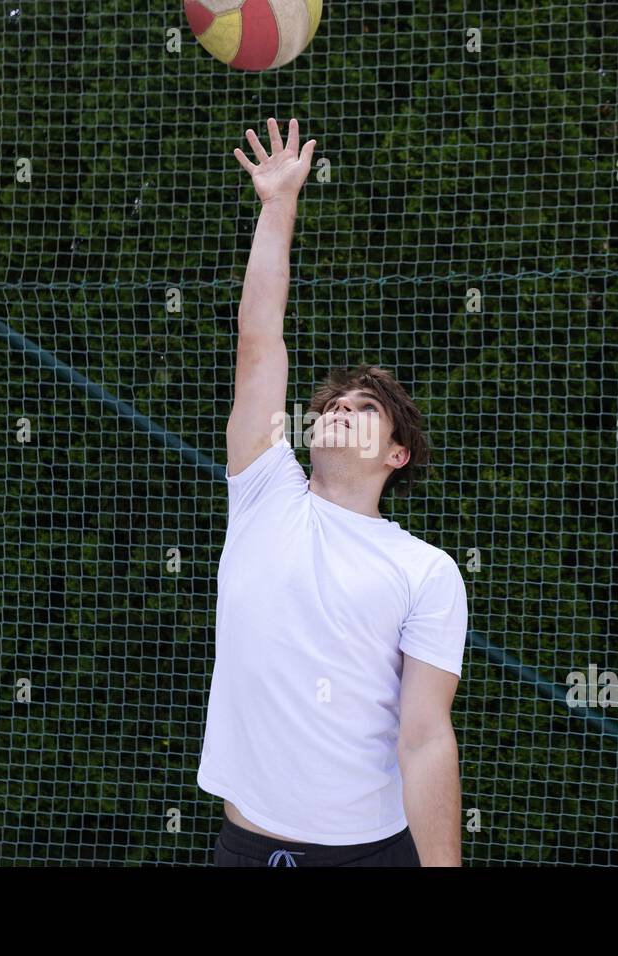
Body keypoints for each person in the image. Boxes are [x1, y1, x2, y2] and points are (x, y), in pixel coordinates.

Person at [198, 118, 469, 867]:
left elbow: (423, 738)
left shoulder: (426, 571)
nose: (340, 408)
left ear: (396, 453)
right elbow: (260, 339)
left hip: (367, 857)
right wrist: (278, 204)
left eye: (364, 407)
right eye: (332, 404)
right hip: (244, 849)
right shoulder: (265, 492)